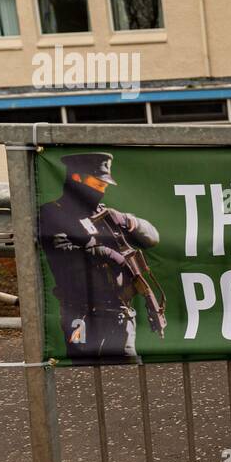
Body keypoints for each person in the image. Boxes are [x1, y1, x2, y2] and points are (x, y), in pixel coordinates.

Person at [39, 152, 162, 361]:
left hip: (119, 315)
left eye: (104, 186)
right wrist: (108, 254)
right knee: (84, 371)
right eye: (97, 184)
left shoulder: (105, 215)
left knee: (129, 373)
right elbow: (62, 254)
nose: (102, 190)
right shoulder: (53, 213)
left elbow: (152, 238)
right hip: (80, 316)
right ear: (77, 178)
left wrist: (128, 220)